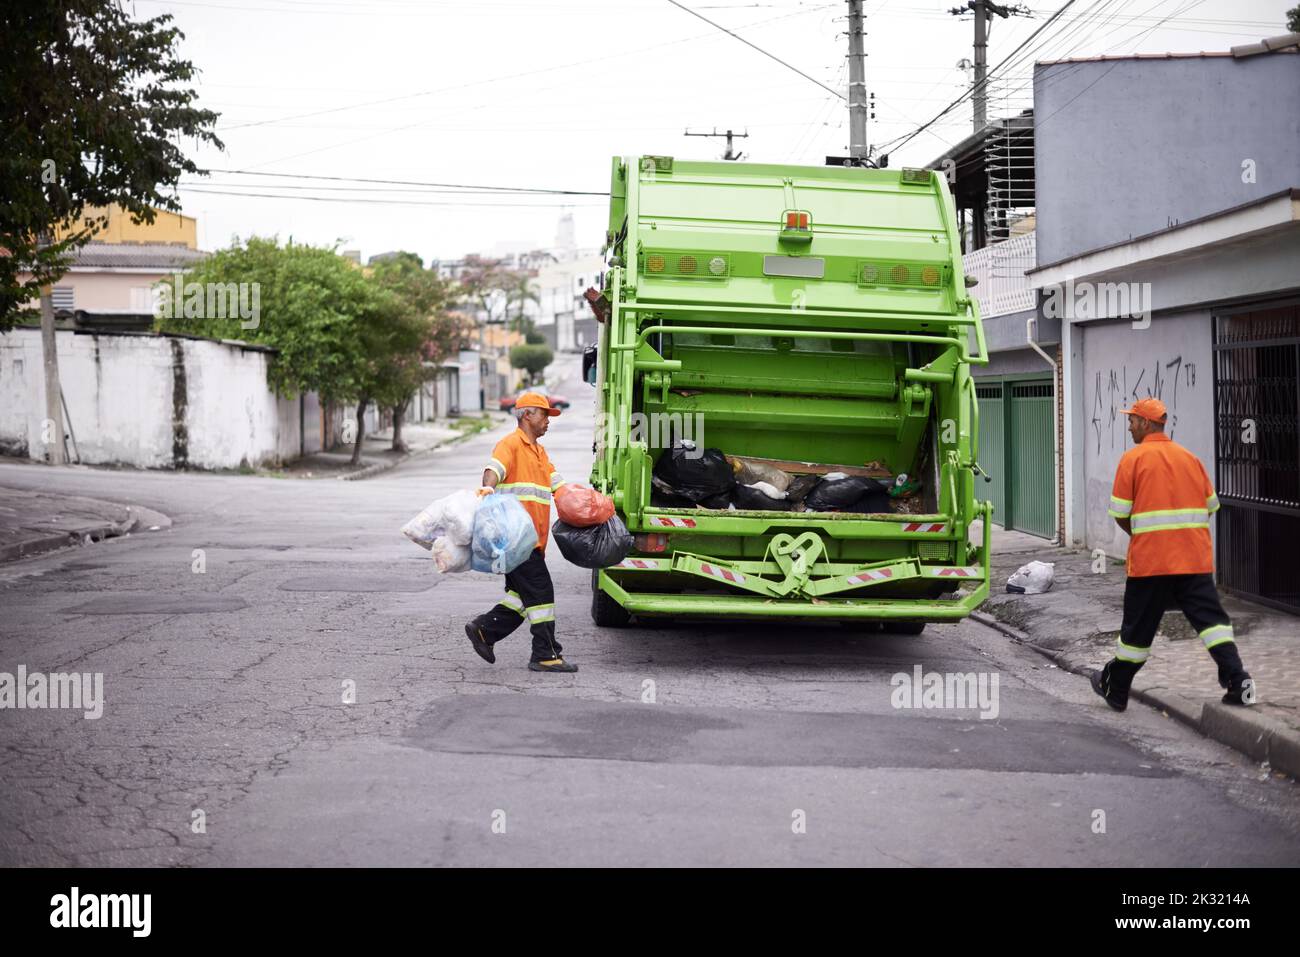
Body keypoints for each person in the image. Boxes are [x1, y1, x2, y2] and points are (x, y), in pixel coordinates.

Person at [1091, 397, 1255, 711]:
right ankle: (1239, 680)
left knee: (1137, 632)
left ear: (1146, 423)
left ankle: (1116, 689)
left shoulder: (1133, 459)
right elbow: (1210, 507)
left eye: (1132, 420)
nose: (1129, 426)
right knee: (1212, 624)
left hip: (1151, 564)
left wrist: (1144, 536)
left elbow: (1120, 513)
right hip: (1194, 561)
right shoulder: (1190, 458)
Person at [464, 392, 578, 673]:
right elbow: (493, 469)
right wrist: (487, 488)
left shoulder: (539, 452)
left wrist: (585, 504)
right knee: (541, 592)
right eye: (544, 415)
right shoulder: (511, 444)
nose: (548, 421)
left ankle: (484, 630)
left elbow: (559, 486)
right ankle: (545, 653)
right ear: (527, 415)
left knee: (521, 596)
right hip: (516, 540)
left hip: (533, 542)